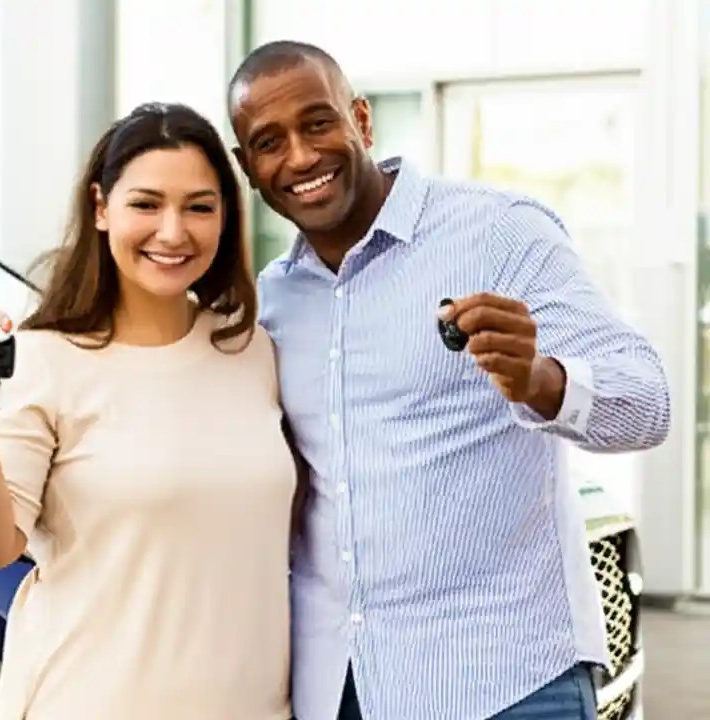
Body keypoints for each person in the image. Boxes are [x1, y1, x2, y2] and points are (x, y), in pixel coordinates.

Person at [227, 40, 671, 720]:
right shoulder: (274, 304)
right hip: (340, 690)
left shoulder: (499, 234)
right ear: (247, 167)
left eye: (318, 123)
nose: (300, 156)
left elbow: (647, 402)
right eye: (269, 141)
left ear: (362, 122)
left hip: (508, 687)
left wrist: (539, 380)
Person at [0, 102, 299, 719]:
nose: (173, 231)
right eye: (146, 203)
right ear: (102, 208)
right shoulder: (44, 359)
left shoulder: (251, 349)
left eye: (200, 207)